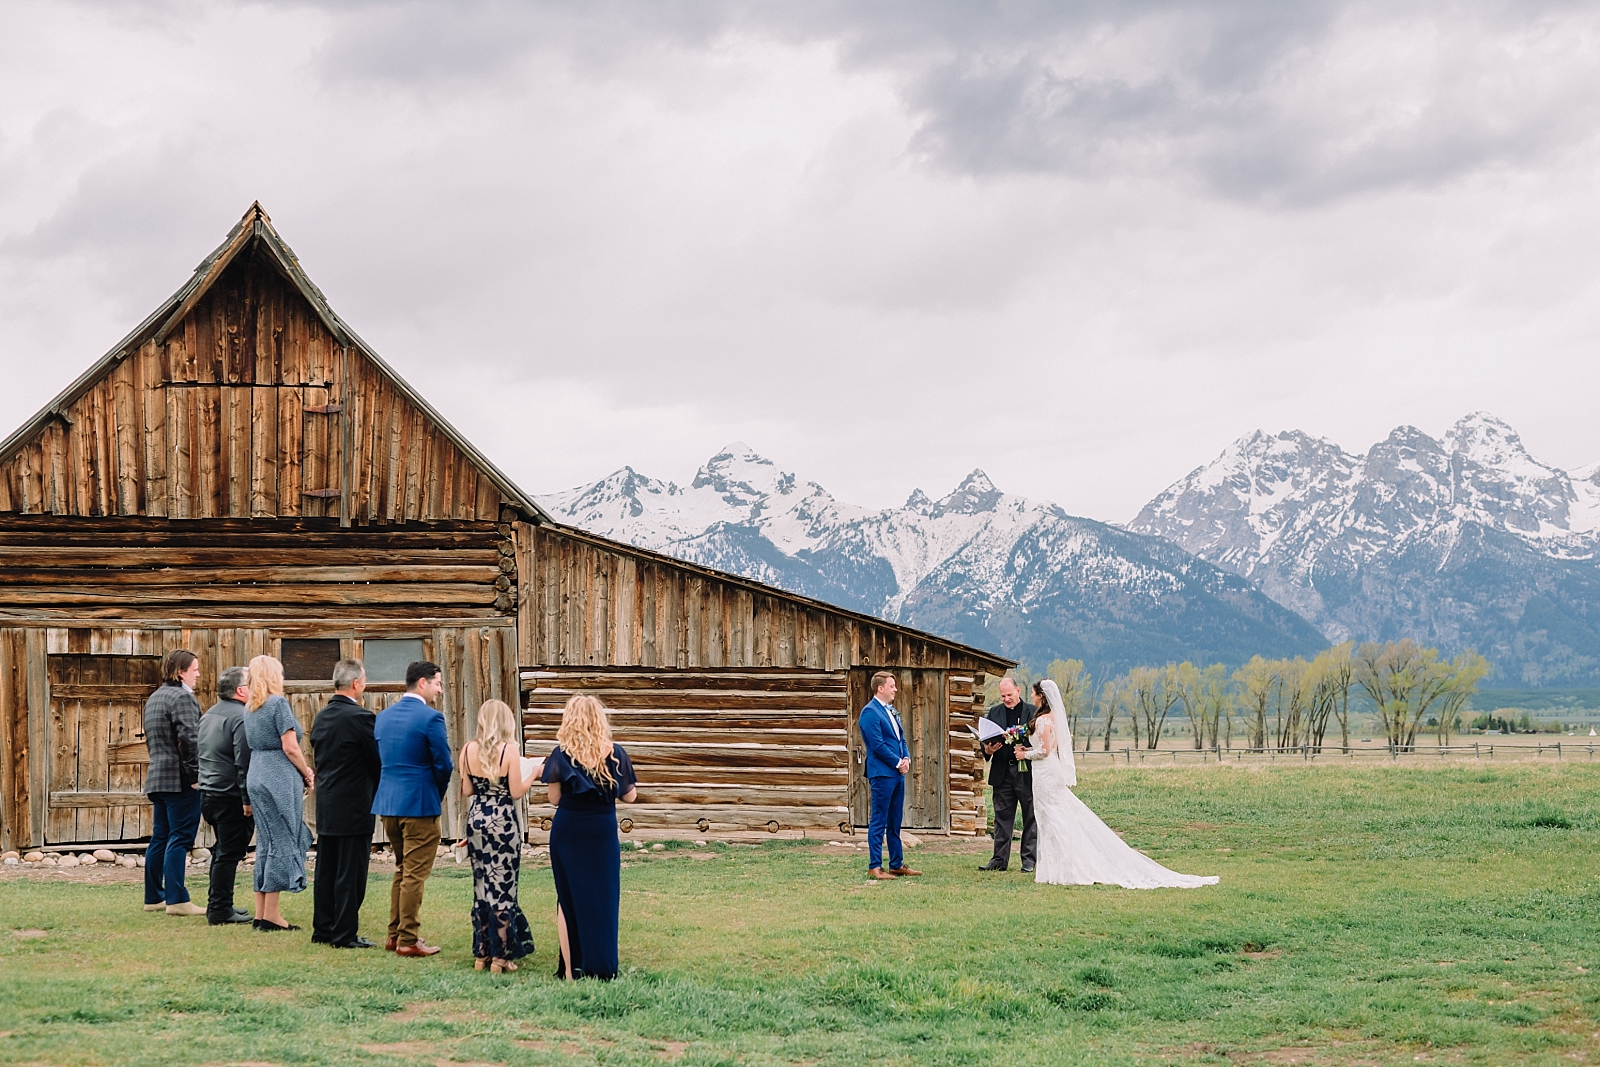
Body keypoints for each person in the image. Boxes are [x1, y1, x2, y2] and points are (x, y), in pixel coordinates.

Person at [1023, 680, 1218, 888]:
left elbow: (1045, 751)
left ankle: (1061, 868)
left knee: (1052, 817)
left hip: (1046, 773)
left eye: (1033, 693)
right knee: (1053, 816)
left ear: (1041, 696)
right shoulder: (1053, 718)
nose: (1031, 696)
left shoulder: (1043, 720)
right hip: (1048, 771)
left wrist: (1024, 754)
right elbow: (1050, 747)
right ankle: (1056, 868)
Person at [541, 694, 638, 980]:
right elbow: (630, 796)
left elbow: (554, 799)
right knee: (603, 897)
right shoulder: (615, 753)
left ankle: (571, 970)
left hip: (568, 830)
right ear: (599, 720)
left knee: (567, 897)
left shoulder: (560, 754)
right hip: (601, 832)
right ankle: (601, 966)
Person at [373, 660, 454, 957]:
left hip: (389, 804)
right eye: (438, 683)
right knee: (414, 874)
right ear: (422, 683)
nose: (440, 690)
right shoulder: (431, 718)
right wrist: (436, 793)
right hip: (419, 804)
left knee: (403, 869)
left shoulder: (383, 718)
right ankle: (408, 939)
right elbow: (444, 764)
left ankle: (394, 935)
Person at [460, 699, 540, 974]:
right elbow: (516, 792)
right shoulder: (509, 750)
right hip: (502, 822)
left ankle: (481, 954)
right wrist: (534, 773)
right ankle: (500, 957)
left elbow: (468, 790)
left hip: (477, 820)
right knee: (503, 888)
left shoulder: (467, 749)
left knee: (482, 887)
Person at [309, 659, 382, 948]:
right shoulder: (361, 718)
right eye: (364, 681)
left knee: (326, 870)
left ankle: (323, 929)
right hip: (354, 804)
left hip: (327, 802)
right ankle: (344, 934)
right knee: (351, 873)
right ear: (355, 683)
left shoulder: (322, 717)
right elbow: (376, 761)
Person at [243, 654, 314, 931]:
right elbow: (290, 747)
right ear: (273, 676)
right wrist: (306, 772)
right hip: (278, 776)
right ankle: (271, 915)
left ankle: (261, 912)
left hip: (256, 773)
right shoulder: (278, 704)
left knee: (266, 841)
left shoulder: (250, 707)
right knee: (282, 839)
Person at [142, 649, 207, 916]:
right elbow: (189, 739)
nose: (198, 674)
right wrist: (196, 776)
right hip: (180, 779)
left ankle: (154, 897)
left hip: (158, 776)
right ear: (181, 672)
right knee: (180, 838)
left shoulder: (155, 698)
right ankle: (177, 900)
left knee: (160, 837)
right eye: (195, 669)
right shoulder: (182, 697)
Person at [197, 664, 254, 925]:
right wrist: (247, 799)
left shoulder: (209, 714)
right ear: (241, 690)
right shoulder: (241, 717)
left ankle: (220, 904)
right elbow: (244, 761)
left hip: (209, 793)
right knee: (228, 853)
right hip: (230, 796)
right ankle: (220, 910)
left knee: (222, 851)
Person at [858, 671, 922, 881]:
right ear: (880, 688)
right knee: (879, 819)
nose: (895, 689)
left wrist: (907, 758)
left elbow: (900, 738)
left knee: (895, 820)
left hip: (897, 774)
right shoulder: (870, 712)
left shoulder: (892, 711)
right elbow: (877, 745)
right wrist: (897, 762)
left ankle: (896, 864)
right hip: (882, 773)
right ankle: (875, 866)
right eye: (892, 686)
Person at [978, 677, 1038, 873]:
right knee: (1002, 817)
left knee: (1030, 816)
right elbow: (985, 739)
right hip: (1002, 771)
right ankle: (999, 860)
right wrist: (987, 749)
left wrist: (1026, 749)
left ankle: (1029, 860)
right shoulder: (994, 712)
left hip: (1026, 772)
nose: (1006, 699)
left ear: (1018, 691)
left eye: (1009, 695)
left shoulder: (1032, 711)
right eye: (1003, 696)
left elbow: (1040, 741)